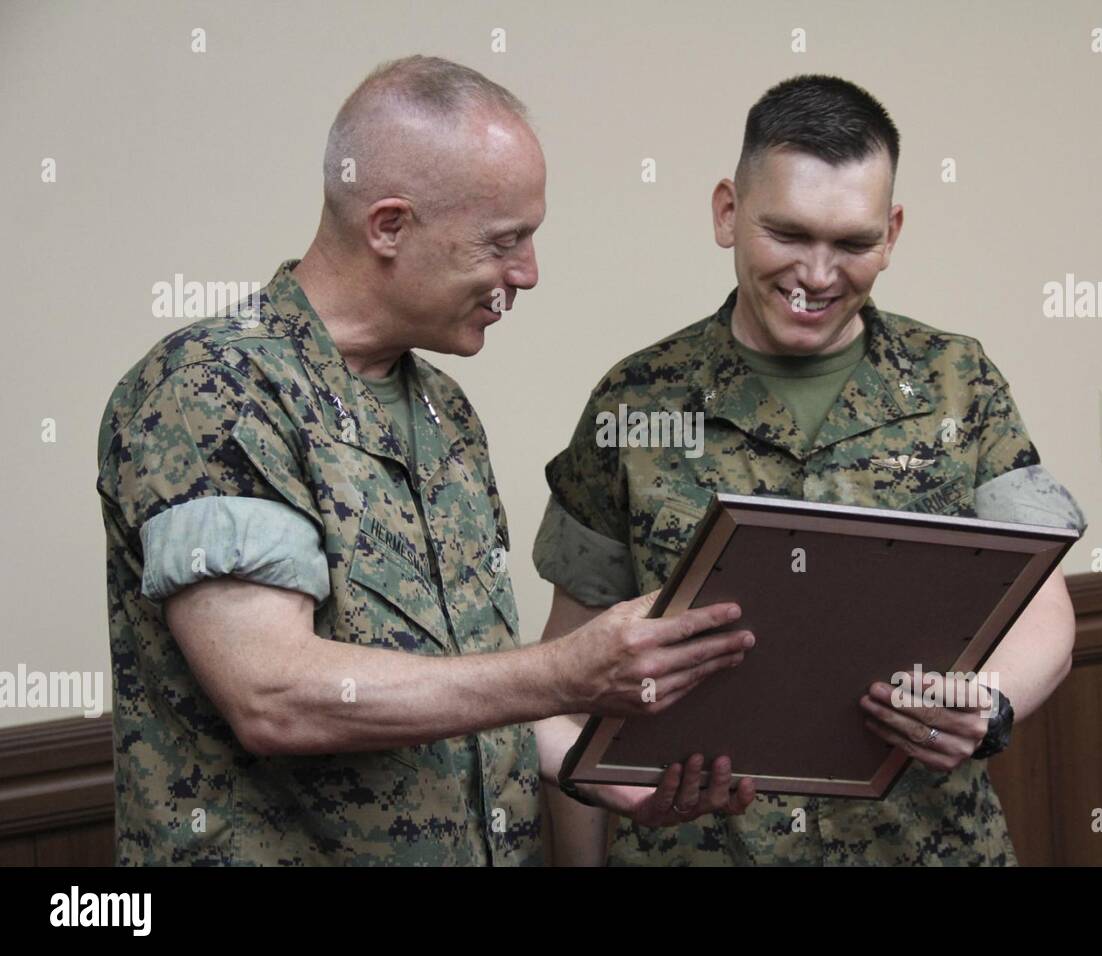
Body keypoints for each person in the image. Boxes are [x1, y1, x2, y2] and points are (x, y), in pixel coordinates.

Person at [95, 55, 756, 866]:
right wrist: (565, 671)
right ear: (389, 226)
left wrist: (599, 771)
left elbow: (468, 683)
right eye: (504, 242)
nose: (529, 274)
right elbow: (271, 694)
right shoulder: (214, 391)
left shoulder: (444, 409)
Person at [532, 74, 1088, 866]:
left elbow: (1046, 608)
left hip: (923, 847)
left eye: (854, 243)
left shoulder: (957, 381)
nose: (818, 275)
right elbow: (567, 673)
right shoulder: (635, 402)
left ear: (892, 233)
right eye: (788, 234)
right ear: (728, 213)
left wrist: (988, 705)